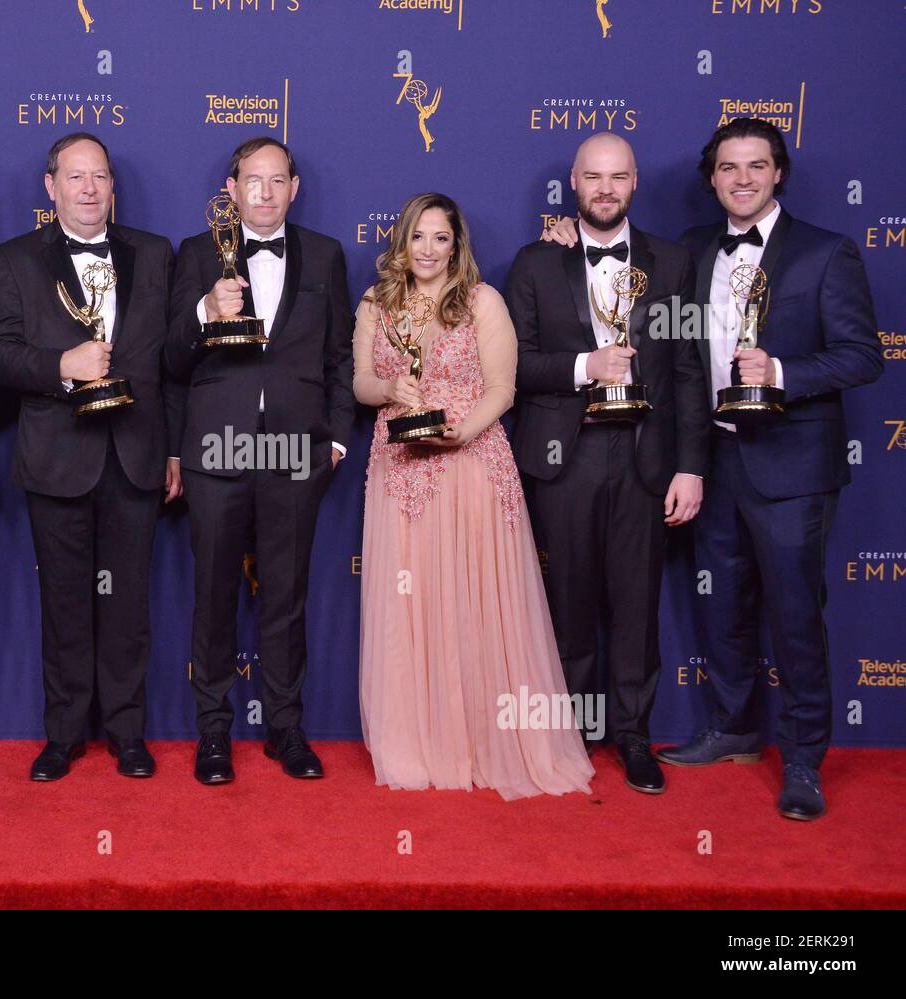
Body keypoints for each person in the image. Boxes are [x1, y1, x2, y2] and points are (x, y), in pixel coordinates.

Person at [660, 119, 881, 819]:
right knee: (721, 610)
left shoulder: (826, 252)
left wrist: (783, 370)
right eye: (729, 168)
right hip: (716, 460)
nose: (743, 178)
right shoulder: (692, 250)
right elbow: (627, 281)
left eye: (757, 165)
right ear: (713, 178)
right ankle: (733, 729)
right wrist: (565, 239)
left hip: (792, 465)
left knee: (793, 618)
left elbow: (863, 356)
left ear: (778, 172)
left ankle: (806, 761)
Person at [354, 192, 594, 797]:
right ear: (401, 241)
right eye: (418, 237)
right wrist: (389, 386)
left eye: (442, 238)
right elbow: (358, 382)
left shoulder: (483, 301)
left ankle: (485, 741)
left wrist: (464, 430)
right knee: (408, 609)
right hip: (399, 466)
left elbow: (503, 387)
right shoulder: (375, 303)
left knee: (472, 600)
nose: (429, 249)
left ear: (457, 245)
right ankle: (417, 741)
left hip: (471, 463)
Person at [506, 133, 709, 795]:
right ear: (573, 181)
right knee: (568, 605)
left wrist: (691, 465)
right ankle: (572, 738)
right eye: (593, 176)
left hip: (647, 458)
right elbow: (515, 366)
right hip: (567, 453)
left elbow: (686, 369)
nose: (605, 188)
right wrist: (583, 367)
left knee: (636, 606)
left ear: (635, 182)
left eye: (617, 176)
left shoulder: (673, 263)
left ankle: (633, 736)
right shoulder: (536, 262)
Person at [0, 132, 183, 781]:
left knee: (128, 604)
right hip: (57, 458)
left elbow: (171, 366)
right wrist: (60, 365)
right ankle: (64, 733)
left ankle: (127, 731)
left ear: (112, 186)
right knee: (64, 602)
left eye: (99, 176)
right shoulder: (14, 259)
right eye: (76, 177)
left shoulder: (155, 255)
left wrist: (175, 448)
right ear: (51, 187)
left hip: (136, 455)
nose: (89, 188)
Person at [166, 137, 353, 784]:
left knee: (287, 596)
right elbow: (170, 359)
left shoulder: (327, 255)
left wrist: (334, 439)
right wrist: (202, 309)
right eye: (254, 180)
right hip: (216, 449)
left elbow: (339, 357)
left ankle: (286, 728)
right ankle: (213, 732)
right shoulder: (195, 254)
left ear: (294, 188)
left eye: (278, 181)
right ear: (232, 186)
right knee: (213, 595)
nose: (266, 192)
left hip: (298, 451)